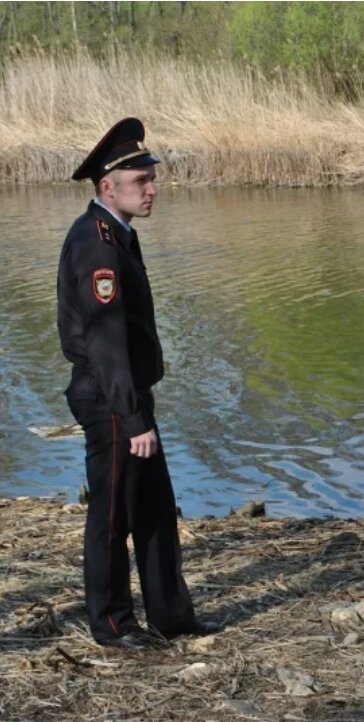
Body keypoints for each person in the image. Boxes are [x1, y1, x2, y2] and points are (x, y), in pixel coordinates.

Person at [57, 118, 218, 649]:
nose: (152, 190)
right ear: (108, 186)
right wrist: (131, 418)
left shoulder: (117, 234)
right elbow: (104, 342)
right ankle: (110, 625)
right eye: (140, 181)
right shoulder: (99, 245)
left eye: (152, 179)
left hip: (125, 396)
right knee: (112, 516)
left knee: (153, 509)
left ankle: (171, 618)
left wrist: (138, 409)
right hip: (109, 399)